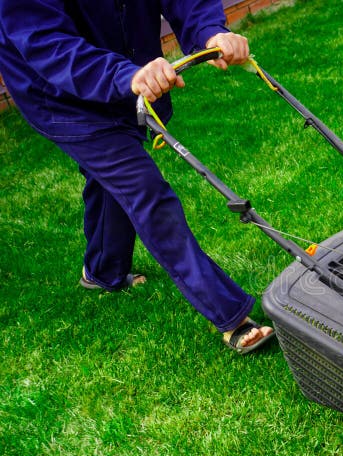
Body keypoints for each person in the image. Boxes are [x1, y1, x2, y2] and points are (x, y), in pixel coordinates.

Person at [0, 0, 274, 354]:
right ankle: (230, 316)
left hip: (125, 67)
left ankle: (102, 270)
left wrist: (210, 30)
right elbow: (46, 43)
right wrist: (123, 75)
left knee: (113, 172)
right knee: (143, 187)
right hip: (59, 93)